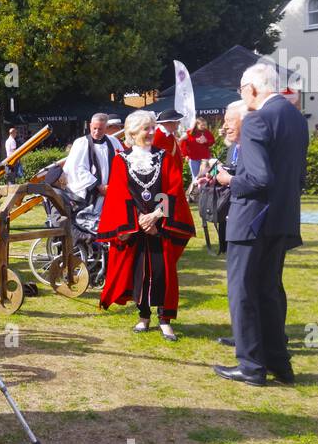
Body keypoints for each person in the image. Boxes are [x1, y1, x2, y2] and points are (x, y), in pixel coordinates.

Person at [213, 63, 309, 387]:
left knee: (242, 293)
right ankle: (280, 364)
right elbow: (298, 176)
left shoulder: (256, 118)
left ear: (251, 88)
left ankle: (252, 366)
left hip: (251, 220)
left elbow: (256, 178)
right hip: (282, 220)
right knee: (268, 291)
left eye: (241, 90)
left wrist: (229, 179)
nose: (241, 96)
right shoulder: (296, 117)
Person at [96, 110, 195, 340]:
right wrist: (140, 220)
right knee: (139, 273)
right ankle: (144, 317)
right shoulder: (121, 159)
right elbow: (120, 193)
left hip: (160, 225)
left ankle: (165, 319)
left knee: (164, 272)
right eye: (146, 129)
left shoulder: (164, 157)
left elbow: (174, 189)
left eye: (152, 128)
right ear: (132, 132)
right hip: (136, 225)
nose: (151, 132)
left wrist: (156, 216)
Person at [197, 100, 245, 258]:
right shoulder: (233, 146)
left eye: (229, 120)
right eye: (224, 121)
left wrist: (228, 178)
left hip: (246, 217)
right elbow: (228, 166)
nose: (224, 126)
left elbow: (253, 178)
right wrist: (212, 177)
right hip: (229, 207)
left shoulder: (254, 147)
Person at [61, 112, 121, 219]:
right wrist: (98, 185)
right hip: (89, 194)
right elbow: (76, 168)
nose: (96, 132)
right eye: (94, 128)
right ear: (90, 125)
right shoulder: (81, 143)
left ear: (106, 128)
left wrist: (114, 185)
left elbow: (122, 163)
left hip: (111, 192)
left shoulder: (114, 142)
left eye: (100, 129)